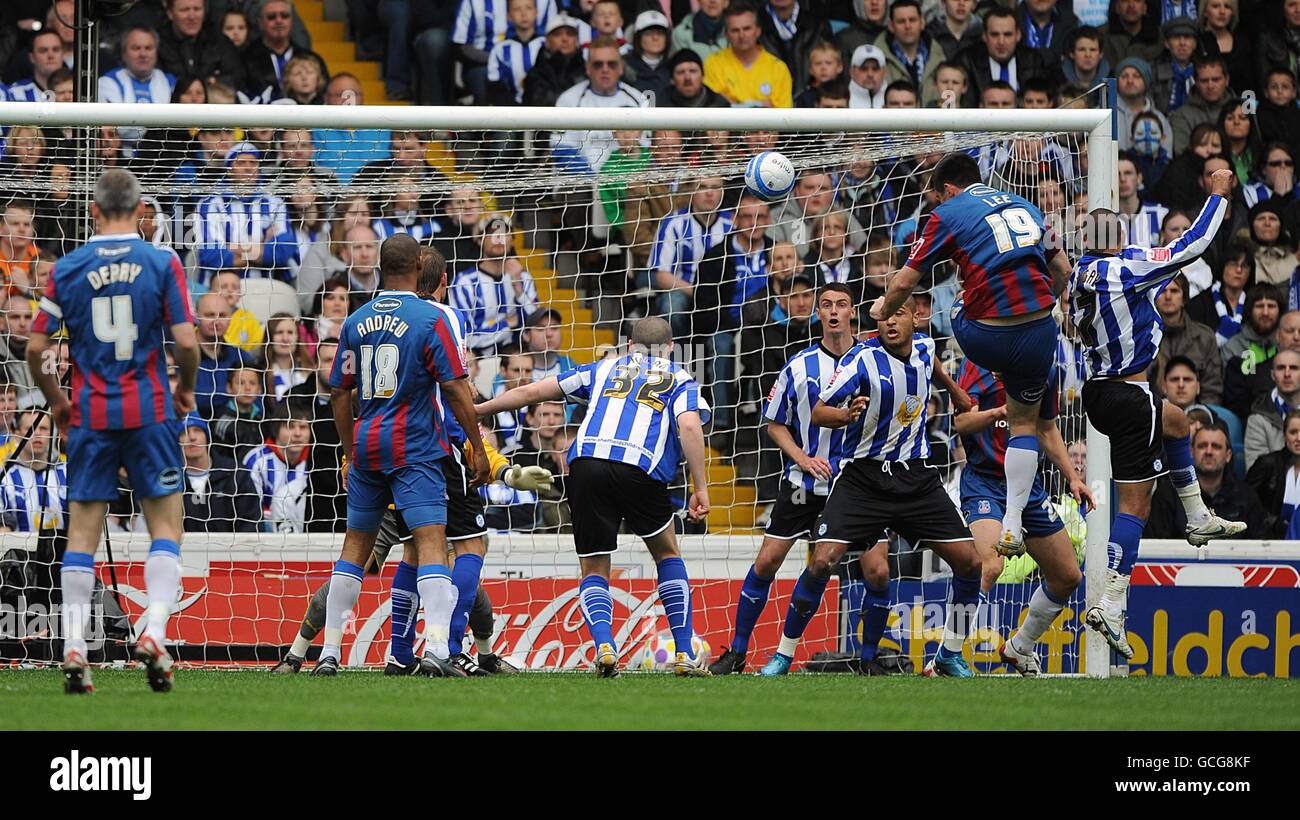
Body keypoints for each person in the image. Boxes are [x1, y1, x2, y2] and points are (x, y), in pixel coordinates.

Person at [26, 168, 199, 694]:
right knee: (166, 526)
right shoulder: (161, 262)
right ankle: (155, 631)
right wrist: (185, 390)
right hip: (148, 411)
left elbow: (35, 351)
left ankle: (74, 646)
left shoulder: (69, 267)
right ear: (141, 207)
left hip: (91, 414)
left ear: (95, 210)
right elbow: (188, 342)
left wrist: (58, 402)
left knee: (80, 535)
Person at [1068, 170, 1247, 661]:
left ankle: (1197, 517)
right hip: (1128, 393)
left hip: (1102, 395)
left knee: (1178, 421)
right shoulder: (1127, 270)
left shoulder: (1080, 276)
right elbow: (1190, 247)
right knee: (1135, 507)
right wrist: (1216, 195)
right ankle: (1110, 600)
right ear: (1119, 239)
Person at [473, 317, 713, 677]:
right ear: (672, 348)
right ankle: (683, 653)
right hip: (639, 465)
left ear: (629, 346)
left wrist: (477, 411)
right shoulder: (680, 378)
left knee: (595, 564)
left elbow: (532, 392)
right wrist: (701, 487)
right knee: (666, 552)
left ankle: (604, 646)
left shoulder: (604, 367)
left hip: (585, 463)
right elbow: (691, 426)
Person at [872, 151, 1072, 557]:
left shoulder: (948, 214)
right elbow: (1064, 270)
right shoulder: (1029, 206)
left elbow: (907, 280)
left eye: (936, 197)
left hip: (987, 336)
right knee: (1024, 424)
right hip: (1040, 331)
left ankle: (994, 369)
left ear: (947, 190)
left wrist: (883, 310)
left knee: (960, 301)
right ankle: (1013, 521)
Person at [771, 298, 984, 678]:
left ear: (914, 317)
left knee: (970, 562)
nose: (890, 323)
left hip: (916, 478)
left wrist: (954, 391)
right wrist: (845, 415)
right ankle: (784, 655)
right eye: (884, 317)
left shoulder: (925, 346)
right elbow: (820, 411)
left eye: (897, 315)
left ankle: (950, 653)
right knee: (822, 561)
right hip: (863, 479)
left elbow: (933, 366)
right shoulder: (860, 360)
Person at [315, 234, 490, 678]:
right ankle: (435, 647)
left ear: (378, 267)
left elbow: (339, 390)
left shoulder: (354, 321)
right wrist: (474, 444)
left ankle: (329, 653)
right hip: (414, 446)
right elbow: (453, 387)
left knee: (354, 547)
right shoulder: (431, 318)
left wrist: (350, 450)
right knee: (430, 542)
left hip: (368, 443)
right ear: (418, 264)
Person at [710, 285, 880, 675]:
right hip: (803, 484)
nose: (834, 312)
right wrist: (802, 458)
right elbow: (774, 424)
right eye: (826, 306)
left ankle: (869, 660)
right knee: (767, 561)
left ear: (853, 312)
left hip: (858, 486)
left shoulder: (874, 361)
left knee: (879, 571)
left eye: (841, 305)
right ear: (817, 314)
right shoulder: (799, 365)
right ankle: (737, 651)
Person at [954, 362, 1091, 676]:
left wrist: (1072, 477)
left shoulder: (1044, 366)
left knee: (1068, 575)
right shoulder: (978, 363)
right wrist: (1001, 412)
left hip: (1029, 486)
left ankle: (1020, 647)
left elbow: (1046, 429)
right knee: (990, 564)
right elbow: (961, 423)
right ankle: (946, 654)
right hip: (985, 481)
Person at [175, 412, 260, 533]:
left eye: (198, 430)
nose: (192, 437)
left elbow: (251, 523)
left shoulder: (236, 473)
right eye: (184, 433)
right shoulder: (170, 481)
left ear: (207, 436)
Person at [702, 3, 794, 108]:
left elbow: (783, 117)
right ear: (726, 35)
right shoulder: (714, 63)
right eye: (735, 30)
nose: (742, 35)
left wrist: (734, 104)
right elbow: (715, 108)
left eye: (747, 29)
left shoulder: (778, 68)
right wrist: (760, 105)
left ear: (758, 31)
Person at [1155, 273, 1223, 404]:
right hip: (1155, 415)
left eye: (1174, 291)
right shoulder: (1143, 337)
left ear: (1184, 298)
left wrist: (1201, 417)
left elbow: (1212, 388)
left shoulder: (1204, 337)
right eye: (1162, 291)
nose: (1168, 296)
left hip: (1196, 415)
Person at [0, 410, 66, 533]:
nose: (37, 433)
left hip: (64, 550)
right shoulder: (4, 476)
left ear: (52, 433)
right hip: (18, 550)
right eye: (30, 428)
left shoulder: (68, 473)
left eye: (43, 428)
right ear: (17, 434)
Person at [1245, 409, 1300, 538]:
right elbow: (1248, 502)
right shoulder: (1267, 464)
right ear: (1285, 435)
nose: (1298, 438)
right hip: (1270, 539)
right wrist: (1274, 522)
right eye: (1293, 432)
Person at [1244, 349, 1300, 470]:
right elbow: (1257, 473)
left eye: (1294, 368)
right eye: (1281, 368)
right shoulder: (1257, 419)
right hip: (1274, 487)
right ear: (1273, 375)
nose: (1287, 374)